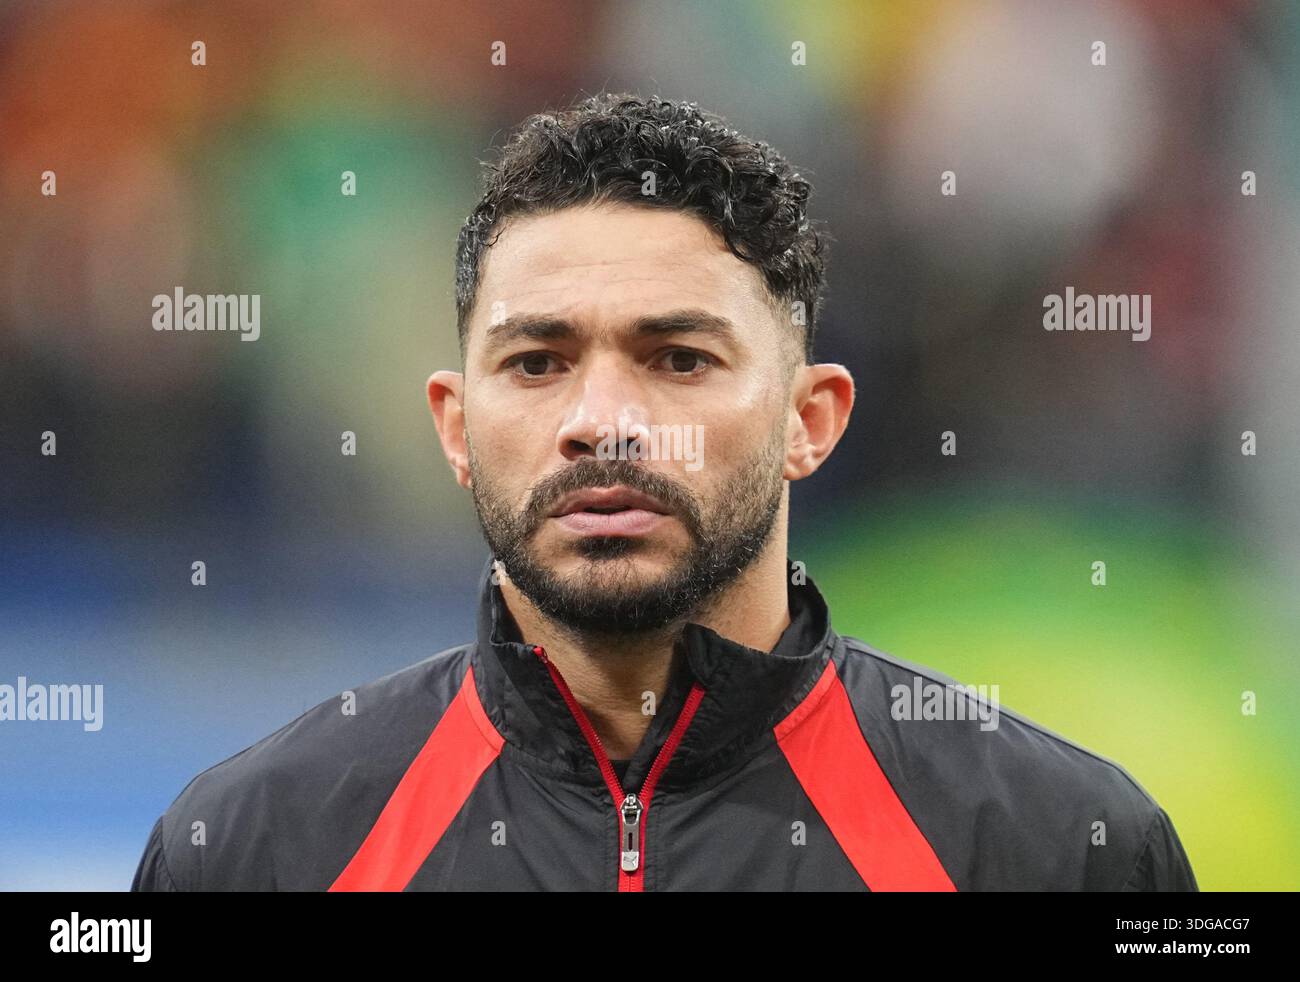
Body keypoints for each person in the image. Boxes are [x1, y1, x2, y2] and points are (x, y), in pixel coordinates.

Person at [131, 92, 1196, 891]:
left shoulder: (1065, 846)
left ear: (807, 420)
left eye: (677, 357)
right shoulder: (252, 847)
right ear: (455, 428)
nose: (601, 418)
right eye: (537, 362)